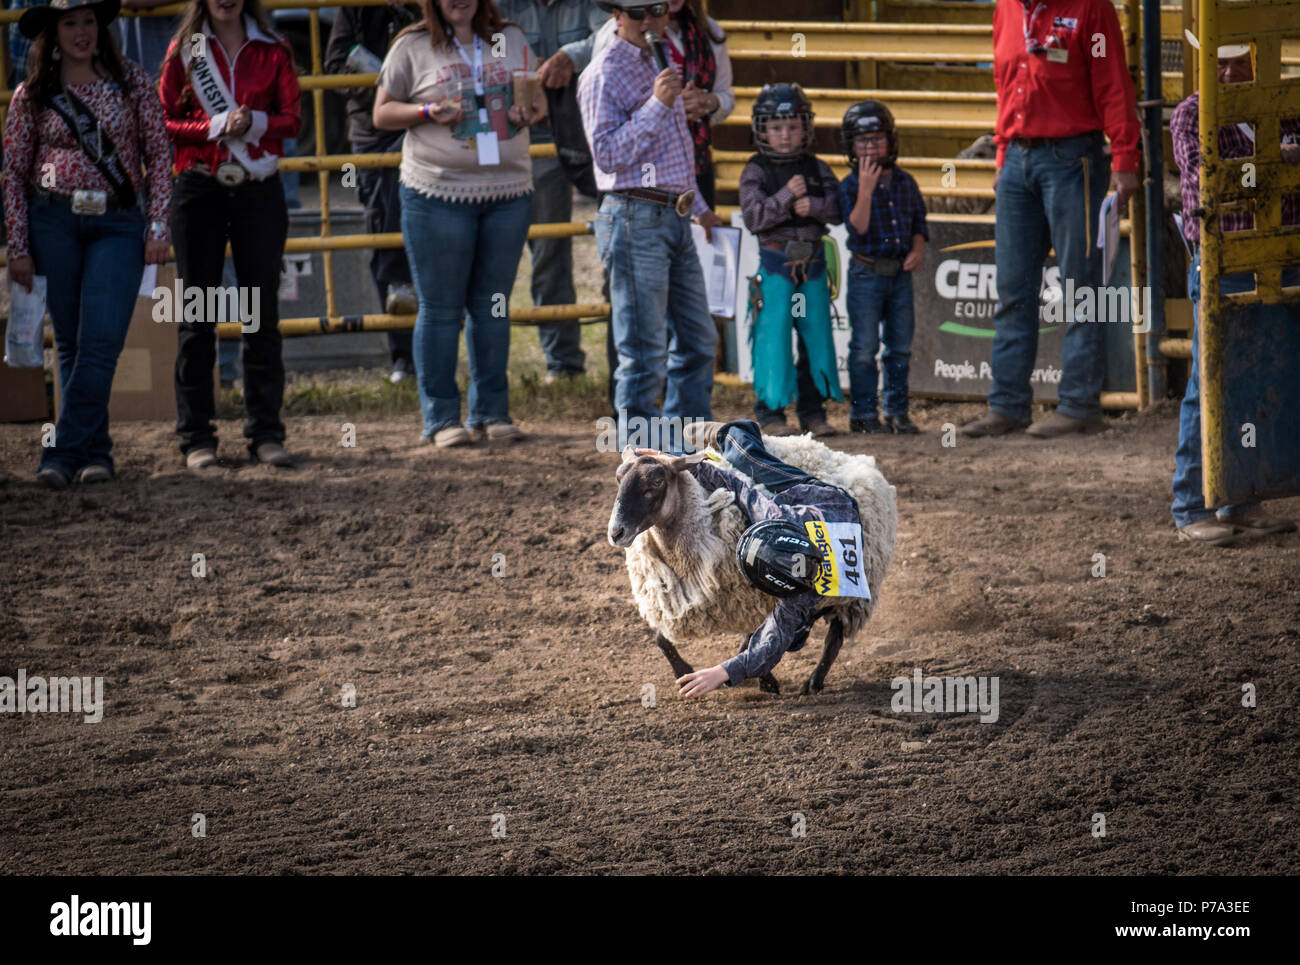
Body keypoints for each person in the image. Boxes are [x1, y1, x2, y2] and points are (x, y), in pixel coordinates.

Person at [4, 0, 171, 488]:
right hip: (51, 219)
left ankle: (58, 451)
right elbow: (13, 173)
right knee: (74, 343)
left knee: (100, 342)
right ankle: (94, 452)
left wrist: (157, 227)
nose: (82, 32)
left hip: (118, 222)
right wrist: (18, 245)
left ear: (101, 26)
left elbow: (159, 154)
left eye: (89, 21)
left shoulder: (134, 82)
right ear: (53, 33)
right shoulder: (32, 94)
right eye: (70, 23)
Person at [962, 0, 1139, 439]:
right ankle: (1007, 405)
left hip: (1072, 157)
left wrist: (1125, 159)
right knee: (1012, 287)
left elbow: (1113, 83)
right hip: (1020, 157)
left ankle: (1077, 403)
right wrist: (1003, 155)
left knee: (1079, 283)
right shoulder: (1006, 9)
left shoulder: (1090, 8)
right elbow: (1006, 85)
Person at [373, 0, 541, 448]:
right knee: (441, 308)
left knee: (494, 306)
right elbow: (382, 112)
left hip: (508, 191)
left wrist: (530, 113)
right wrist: (426, 113)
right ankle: (442, 417)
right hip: (436, 192)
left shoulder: (513, 39)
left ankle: (491, 411)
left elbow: (535, 100)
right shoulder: (412, 45)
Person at [1167, 32, 1299, 546]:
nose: (1227, 73)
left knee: (1255, 378)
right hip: (1227, 261)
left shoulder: (1281, 108)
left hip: (1274, 258)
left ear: (1252, 60)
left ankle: (1240, 497)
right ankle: (1192, 502)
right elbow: (1206, 180)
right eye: (1220, 64)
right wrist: (1274, 164)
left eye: (1236, 63)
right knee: (1211, 381)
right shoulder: (1193, 113)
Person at [159, 0, 301, 470]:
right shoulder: (184, 51)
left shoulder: (274, 49)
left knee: (261, 311)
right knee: (198, 315)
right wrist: (218, 124)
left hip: (258, 188)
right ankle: (197, 437)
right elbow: (164, 123)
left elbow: (292, 119)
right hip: (199, 186)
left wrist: (254, 122)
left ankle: (265, 432)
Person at [578, 0, 722, 436]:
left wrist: (698, 208)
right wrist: (658, 104)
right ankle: (639, 452)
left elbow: (676, 148)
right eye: (639, 12)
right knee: (643, 349)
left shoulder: (662, 60)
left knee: (699, 341)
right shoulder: (602, 72)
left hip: (669, 213)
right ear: (617, 16)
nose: (650, 21)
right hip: (634, 212)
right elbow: (606, 155)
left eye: (657, 10)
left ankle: (688, 442)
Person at [667, 418, 866, 698]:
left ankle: (734, 431)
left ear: (783, 589)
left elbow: (770, 645)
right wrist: (680, 462)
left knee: (791, 637)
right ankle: (732, 434)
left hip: (833, 509)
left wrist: (723, 671)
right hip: (826, 506)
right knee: (750, 463)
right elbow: (736, 485)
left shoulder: (800, 593)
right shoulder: (776, 514)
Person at [496, 0, 605, 385]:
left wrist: (568, 57)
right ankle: (494, 374)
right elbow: (481, 48)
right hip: (510, 139)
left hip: (582, 135)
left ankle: (565, 364)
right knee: (502, 257)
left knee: (553, 252)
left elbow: (612, 38)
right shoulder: (501, 6)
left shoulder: (588, 5)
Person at [324, 0, 421, 385]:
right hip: (373, 134)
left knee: (441, 236)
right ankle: (404, 358)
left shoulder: (428, 8)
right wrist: (384, 93)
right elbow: (334, 67)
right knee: (386, 238)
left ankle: (435, 350)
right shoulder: (356, 9)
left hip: (426, 126)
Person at [739, 83, 841, 438]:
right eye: (777, 127)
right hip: (776, 269)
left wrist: (812, 206)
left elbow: (838, 208)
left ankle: (813, 414)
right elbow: (753, 217)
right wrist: (786, 196)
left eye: (793, 126)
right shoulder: (756, 169)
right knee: (774, 340)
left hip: (812, 270)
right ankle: (770, 413)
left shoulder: (817, 167)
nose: (785, 135)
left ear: (805, 127)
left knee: (815, 342)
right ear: (763, 130)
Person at [840, 99, 927, 434]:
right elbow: (856, 227)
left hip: (900, 275)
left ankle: (896, 411)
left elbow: (920, 224)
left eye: (877, 139)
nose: (871, 147)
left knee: (900, 346)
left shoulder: (906, 182)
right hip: (866, 273)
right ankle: (863, 416)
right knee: (864, 348)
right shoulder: (849, 185)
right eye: (863, 141)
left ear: (890, 140)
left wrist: (917, 249)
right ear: (851, 146)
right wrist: (865, 191)